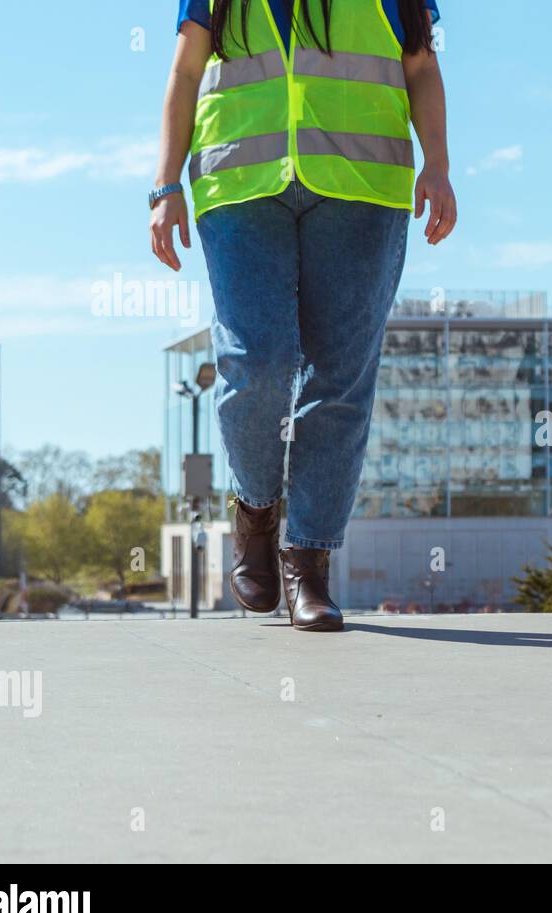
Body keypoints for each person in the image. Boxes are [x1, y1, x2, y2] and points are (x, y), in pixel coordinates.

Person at [151, 0, 455, 631]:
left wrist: (440, 167)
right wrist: (164, 186)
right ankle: (256, 511)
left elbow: (421, 65)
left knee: (340, 378)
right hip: (237, 184)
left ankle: (307, 562)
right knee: (256, 362)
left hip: (363, 187)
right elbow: (184, 74)